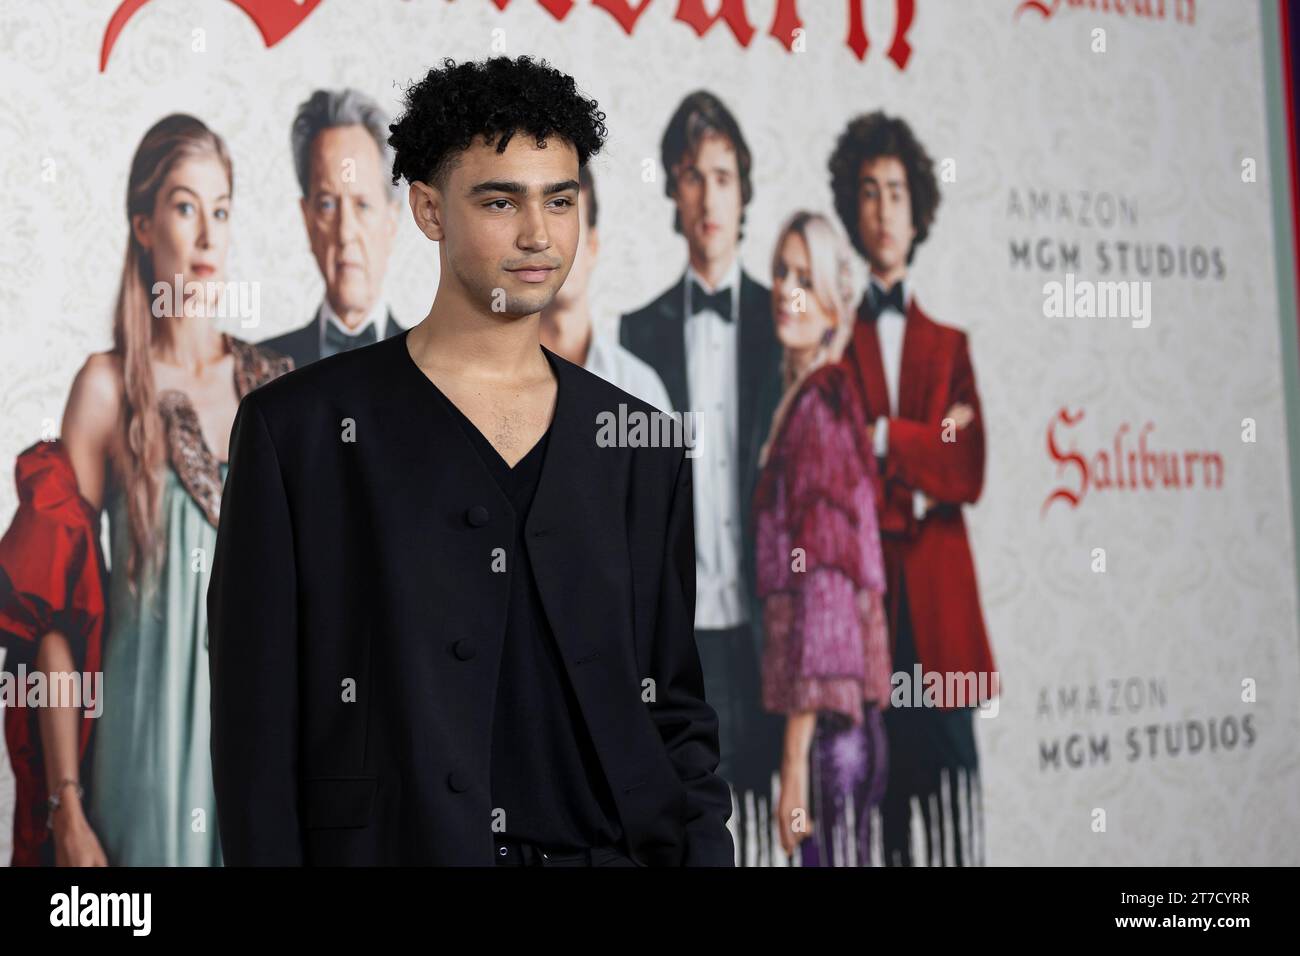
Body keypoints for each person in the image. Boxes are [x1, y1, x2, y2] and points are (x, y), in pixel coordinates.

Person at [207, 55, 735, 867]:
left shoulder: (641, 444)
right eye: (500, 201)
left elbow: (676, 716)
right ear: (428, 209)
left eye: (560, 200)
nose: (538, 235)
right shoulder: (299, 434)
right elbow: (255, 745)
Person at [0, 114, 292, 866]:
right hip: (143, 759)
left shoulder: (280, 390)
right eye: (185, 207)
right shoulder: (107, 388)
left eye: (221, 210)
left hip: (264, 757)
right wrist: (67, 809)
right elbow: (54, 620)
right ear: (142, 224)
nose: (207, 235)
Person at [827, 111, 998, 866]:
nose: (884, 209)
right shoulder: (835, 342)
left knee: (956, 817)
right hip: (869, 611)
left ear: (918, 208)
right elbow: (840, 481)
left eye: (896, 192)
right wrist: (927, 459)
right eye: (869, 191)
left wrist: (887, 438)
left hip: (941, 610)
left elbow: (969, 470)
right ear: (852, 207)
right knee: (885, 811)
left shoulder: (950, 345)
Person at [619, 90, 784, 866]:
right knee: (699, 831)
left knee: (786, 827)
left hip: (774, 624)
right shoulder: (635, 334)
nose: (709, 196)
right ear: (673, 192)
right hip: (681, 635)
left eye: (723, 176)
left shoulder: (788, 325)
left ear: (743, 190)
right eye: (692, 177)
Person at [752, 211, 892, 867]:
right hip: (841, 734)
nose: (786, 290)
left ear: (834, 307)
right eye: (782, 272)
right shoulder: (813, 399)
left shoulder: (820, 409)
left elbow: (827, 602)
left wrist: (793, 769)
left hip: (830, 745)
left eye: (806, 280)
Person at [260, 88, 404, 366]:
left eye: (362, 205)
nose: (345, 233)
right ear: (307, 220)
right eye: (327, 205)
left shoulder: (437, 367)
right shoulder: (261, 369)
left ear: (391, 221)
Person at [539, 165, 672, 412]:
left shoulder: (640, 388)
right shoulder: (483, 380)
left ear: (593, 246)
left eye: (567, 223)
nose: (549, 247)